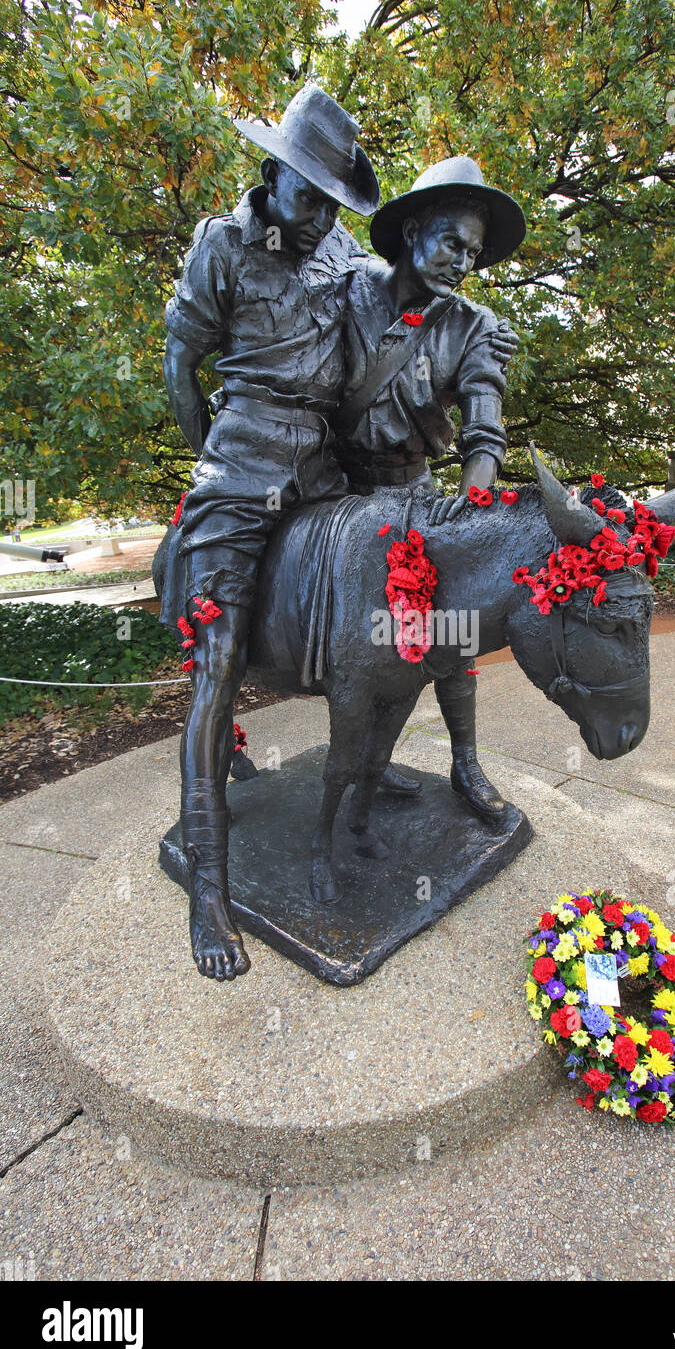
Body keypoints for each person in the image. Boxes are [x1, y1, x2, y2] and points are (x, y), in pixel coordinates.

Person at [161, 85, 380, 982]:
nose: (321, 211)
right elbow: (181, 360)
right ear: (274, 173)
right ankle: (210, 888)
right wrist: (213, 457)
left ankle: (375, 781)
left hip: (326, 465)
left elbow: (399, 320)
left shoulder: (344, 253)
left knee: (397, 578)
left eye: (333, 199)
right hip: (242, 454)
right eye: (309, 192)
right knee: (216, 663)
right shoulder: (221, 242)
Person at [334, 156, 526, 821]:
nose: (463, 262)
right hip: (328, 493)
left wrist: (472, 514)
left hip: (411, 496)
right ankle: (358, 764)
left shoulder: (473, 326)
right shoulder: (346, 288)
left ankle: (465, 763)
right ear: (414, 228)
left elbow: (484, 433)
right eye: (452, 242)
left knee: (450, 629)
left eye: (473, 253)